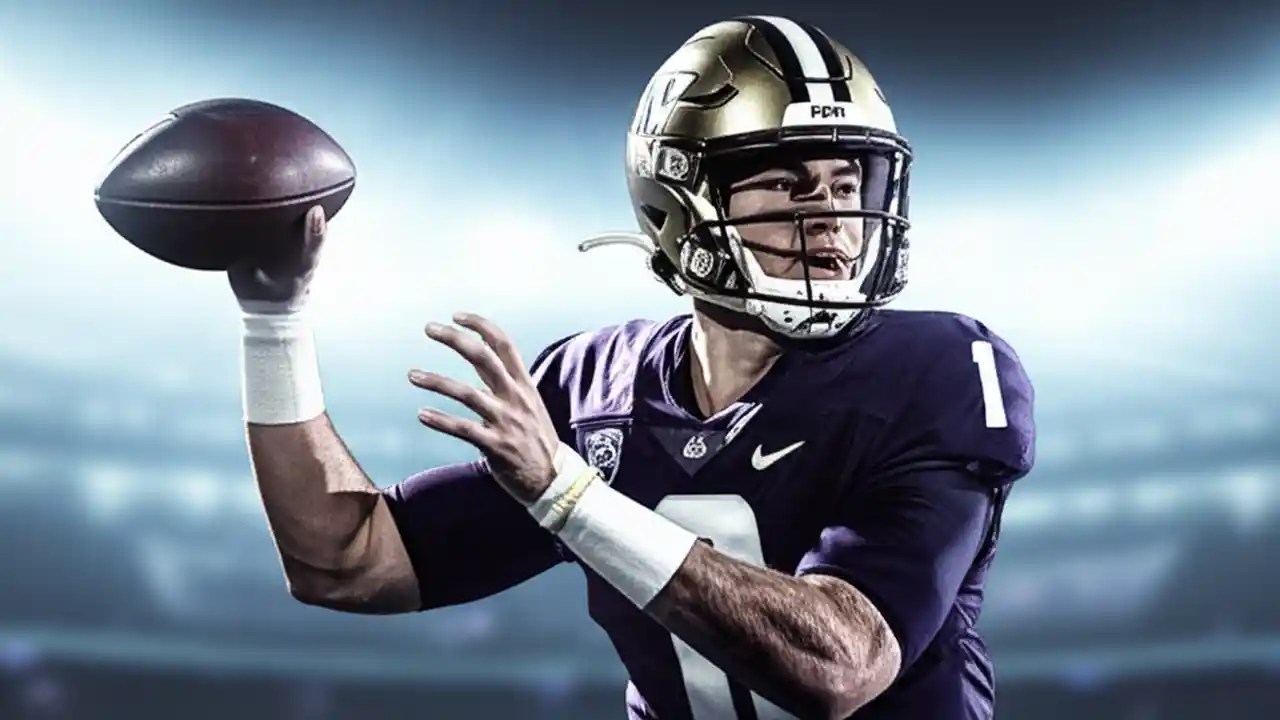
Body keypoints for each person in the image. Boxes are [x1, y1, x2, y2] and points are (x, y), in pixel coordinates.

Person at [229, 15, 1034, 720]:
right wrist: (275, 322)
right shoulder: (592, 388)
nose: (832, 221)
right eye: (789, 184)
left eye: (847, 181)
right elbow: (345, 561)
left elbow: (841, 668)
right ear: (677, 208)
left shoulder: (939, 368)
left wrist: (570, 497)